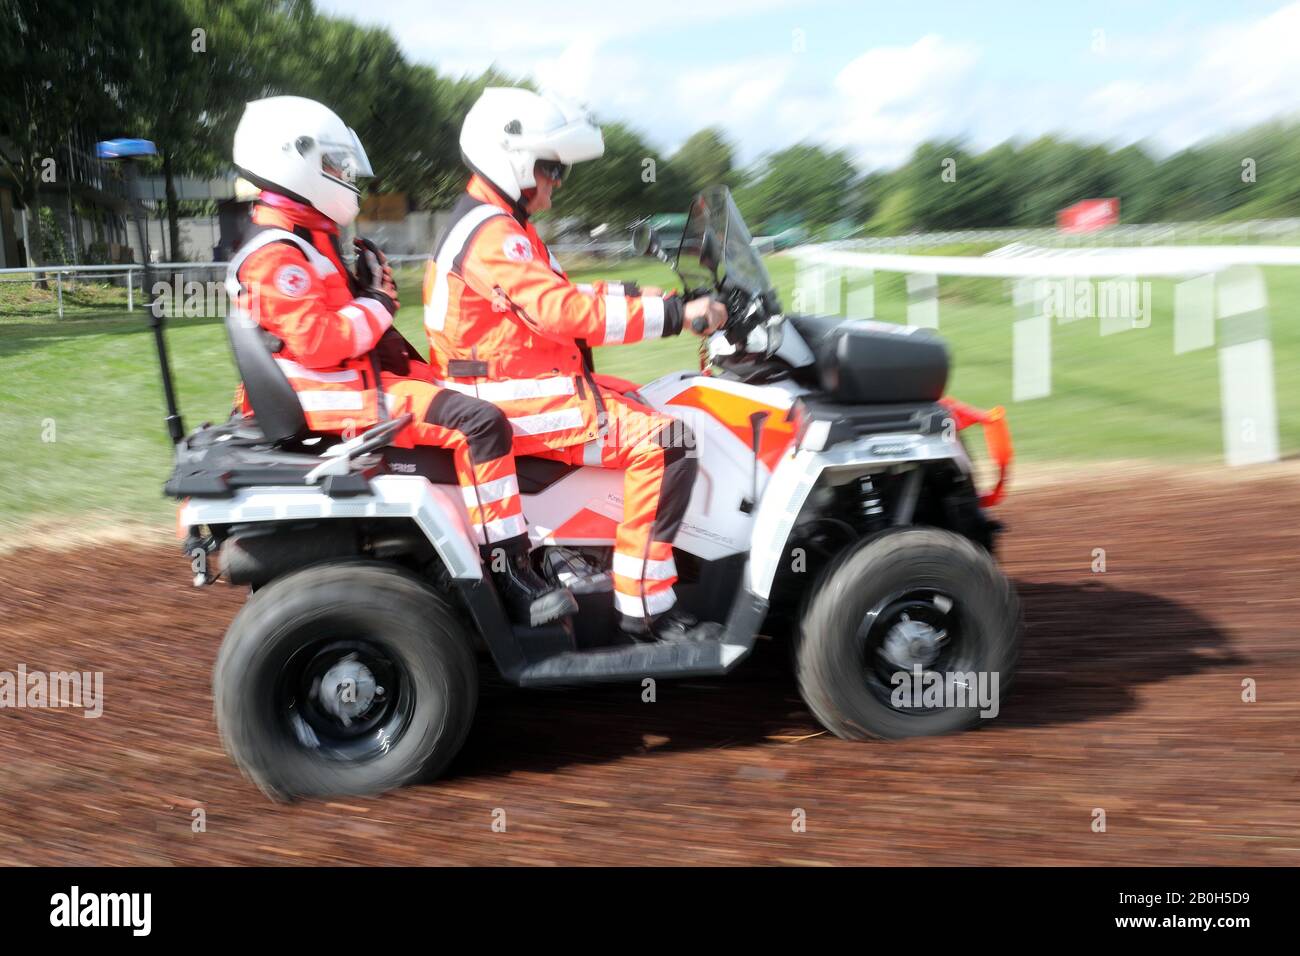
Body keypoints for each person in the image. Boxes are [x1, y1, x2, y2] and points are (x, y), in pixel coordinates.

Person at [228, 95, 576, 627]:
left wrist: (365, 294)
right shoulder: (275, 254)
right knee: (480, 423)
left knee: (471, 392)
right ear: (292, 159)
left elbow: (339, 328)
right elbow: (322, 340)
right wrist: (378, 301)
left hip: (351, 386)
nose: (345, 177)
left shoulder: (302, 239)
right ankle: (510, 573)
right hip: (338, 399)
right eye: (333, 165)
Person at [423, 87, 727, 643]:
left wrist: (649, 294)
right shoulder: (493, 235)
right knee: (670, 443)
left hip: (519, 383)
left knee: (648, 397)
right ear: (511, 160)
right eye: (550, 169)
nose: (556, 183)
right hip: (508, 395)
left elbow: (563, 292)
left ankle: (599, 553)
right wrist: (678, 315)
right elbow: (562, 311)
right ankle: (646, 608)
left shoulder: (503, 227)